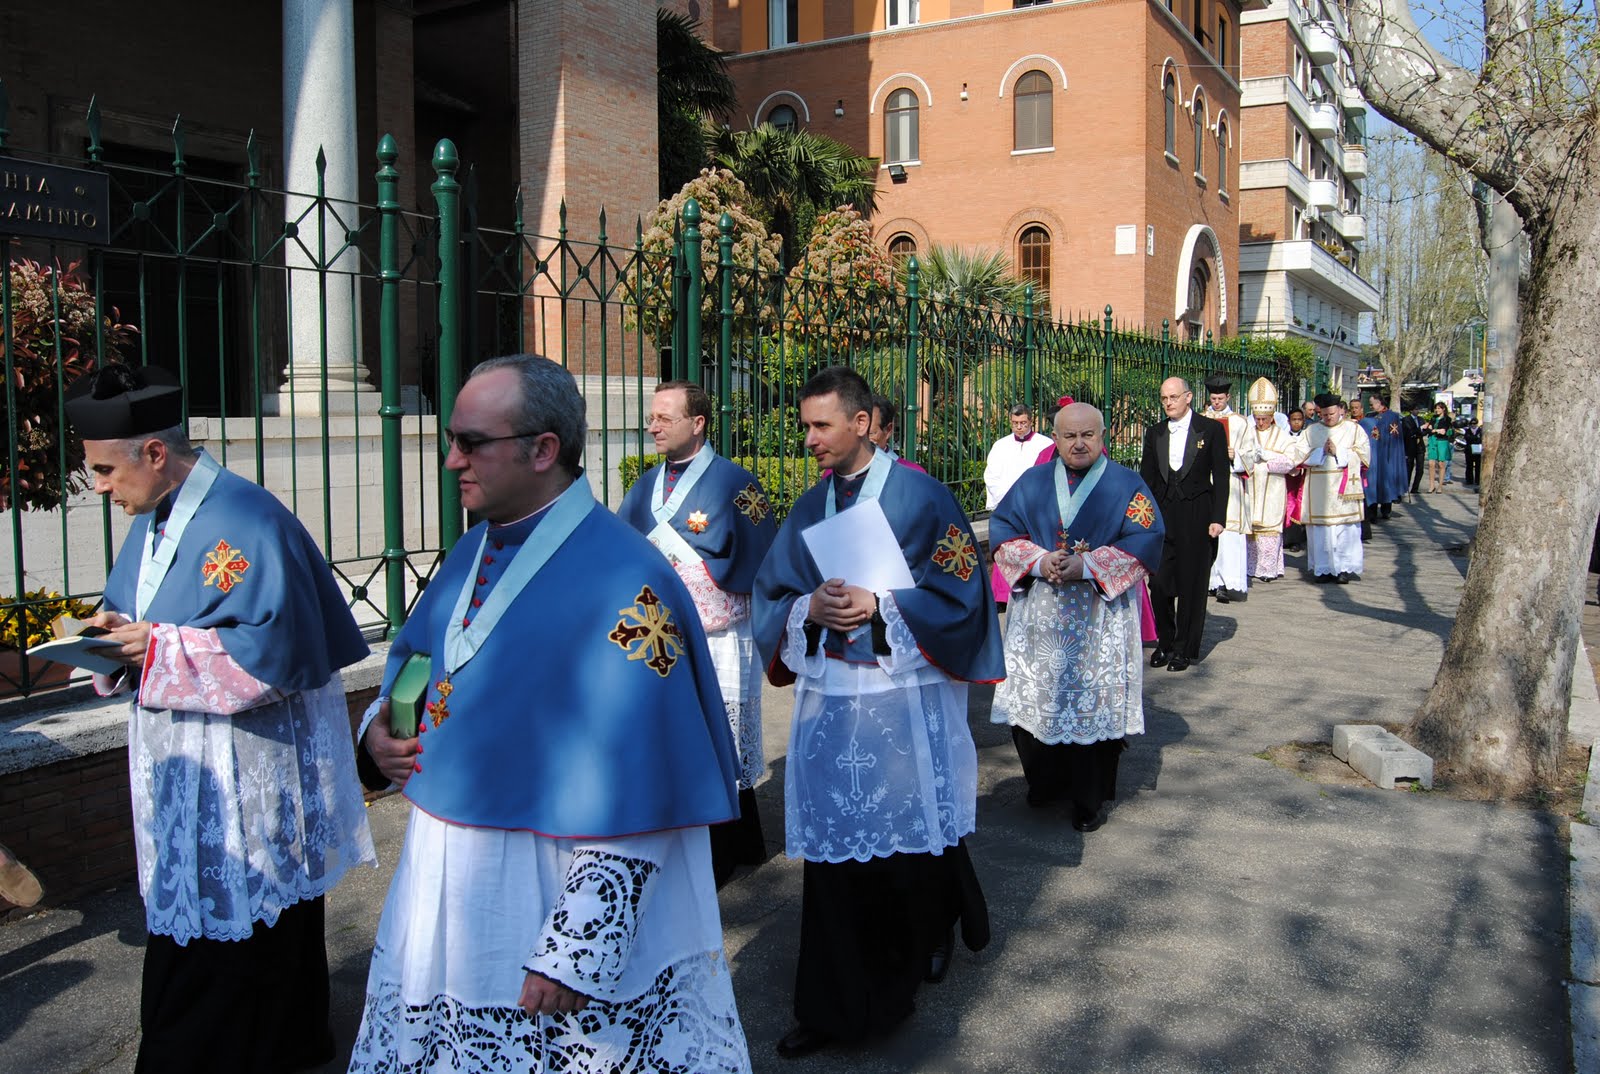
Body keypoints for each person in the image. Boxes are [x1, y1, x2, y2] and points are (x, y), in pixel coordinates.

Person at [349, 355, 751, 1073]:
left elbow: (646, 772)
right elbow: (416, 663)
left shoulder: (628, 580)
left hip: (550, 882)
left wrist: (578, 946)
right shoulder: (471, 549)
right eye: (453, 438)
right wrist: (378, 727)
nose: (451, 461)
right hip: (448, 871)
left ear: (543, 449)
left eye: (472, 442)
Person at [63, 362, 376, 1074]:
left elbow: (278, 659)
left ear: (153, 452)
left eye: (107, 471)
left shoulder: (246, 519)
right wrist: (114, 633)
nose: (101, 489)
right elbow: (151, 615)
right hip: (186, 765)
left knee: (244, 930)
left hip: (247, 769)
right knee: (223, 923)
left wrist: (161, 644)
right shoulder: (158, 513)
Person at [753, 366, 1001, 1059]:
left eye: (820, 425)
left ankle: (897, 982)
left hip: (901, 696)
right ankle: (828, 1006)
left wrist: (885, 606)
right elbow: (771, 594)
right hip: (830, 700)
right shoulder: (809, 507)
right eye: (805, 426)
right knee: (833, 861)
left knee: (905, 852)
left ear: (861, 423)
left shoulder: (923, 498)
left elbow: (963, 595)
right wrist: (809, 609)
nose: (809, 439)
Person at [618, 380, 777, 885]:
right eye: (652, 417)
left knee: (723, 734)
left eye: (665, 417)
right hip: (660, 639)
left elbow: (759, 562)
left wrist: (694, 587)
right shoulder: (644, 487)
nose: (653, 426)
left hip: (718, 637)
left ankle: (730, 845)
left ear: (698, 422)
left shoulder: (737, 484)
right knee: (677, 735)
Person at [988, 402, 1164, 832]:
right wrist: (1038, 560)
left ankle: (1088, 799)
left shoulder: (1127, 484)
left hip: (1099, 618)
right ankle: (1044, 783)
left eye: (1088, 435)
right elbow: (1002, 531)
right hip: (1041, 615)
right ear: (1057, 438)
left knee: (1094, 705)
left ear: (1102, 437)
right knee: (1037, 706)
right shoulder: (1031, 482)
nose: (1079, 443)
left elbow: (1148, 537)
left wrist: (1087, 566)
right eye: (1069, 436)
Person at [1140, 377, 1230, 672]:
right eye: (1164, 398)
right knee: (1160, 583)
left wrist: (1218, 517)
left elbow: (1221, 476)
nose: (1168, 403)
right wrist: (1143, 519)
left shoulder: (1211, 429)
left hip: (1197, 513)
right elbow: (1148, 479)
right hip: (1164, 515)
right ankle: (1164, 643)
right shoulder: (1154, 433)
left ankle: (1183, 648)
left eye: (1174, 397)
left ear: (1188, 397)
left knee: (1192, 584)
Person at [985, 403, 1052, 609]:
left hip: (1033, 507)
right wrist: (1006, 501)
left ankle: (1029, 587)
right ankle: (1002, 597)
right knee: (1005, 548)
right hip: (1007, 505)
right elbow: (992, 475)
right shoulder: (1001, 445)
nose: (1019, 427)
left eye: (1023, 423)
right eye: (1015, 423)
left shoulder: (1045, 444)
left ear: (1031, 422)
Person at [1244, 379, 1310, 582]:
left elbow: (1292, 461)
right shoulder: (1247, 434)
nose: (1260, 422)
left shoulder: (1282, 436)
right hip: (1251, 487)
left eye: (1264, 418)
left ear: (1272, 416)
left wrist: (1267, 459)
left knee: (1269, 531)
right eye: (1257, 418)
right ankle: (1249, 567)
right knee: (1250, 531)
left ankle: (1267, 570)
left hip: (1273, 487)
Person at [1201, 375, 1259, 603]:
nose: (1216, 402)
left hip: (1232, 484)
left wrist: (1237, 456)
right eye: (1213, 398)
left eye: (1220, 398)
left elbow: (1253, 453)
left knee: (1230, 535)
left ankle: (1227, 583)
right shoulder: (1201, 420)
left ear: (1228, 397)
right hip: (1207, 482)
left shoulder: (1241, 422)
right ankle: (1209, 581)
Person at [1303, 393, 1371, 583]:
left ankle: (1343, 568)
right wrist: (1320, 452)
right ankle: (1323, 569)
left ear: (1340, 410)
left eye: (1331, 414)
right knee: (1321, 531)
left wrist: (1339, 452)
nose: (1328, 418)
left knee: (1344, 530)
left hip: (1344, 490)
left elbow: (1365, 455)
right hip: (1319, 489)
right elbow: (1297, 455)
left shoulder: (1353, 429)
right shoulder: (1311, 431)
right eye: (1324, 415)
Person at [1364, 394, 1407, 516]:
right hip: (1373, 454)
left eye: (1372, 404)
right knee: (1373, 482)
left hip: (1386, 454)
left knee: (1386, 482)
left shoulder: (1392, 417)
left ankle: (1386, 509)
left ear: (1379, 403)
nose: (1371, 406)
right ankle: (1372, 511)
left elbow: (1394, 437)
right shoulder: (1370, 416)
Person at [869, 393, 927, 473]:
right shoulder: (846, 474)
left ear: (888, 430)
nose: (860, 440)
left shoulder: (912, 474)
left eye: (870, 433)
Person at [1424, 401, 1453, 493]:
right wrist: (1435, 430)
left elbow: (1444, 431)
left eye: (1439, 408)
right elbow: (1428, 430)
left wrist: (1434, 430)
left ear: (1443, 409)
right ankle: (1431, 485)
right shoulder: (1433, 418)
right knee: (1431, 464)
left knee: (1441, 464)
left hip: (1442, 441)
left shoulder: (1447, 419)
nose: (1437, 410)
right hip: (1432, 440)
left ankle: (1440, 486)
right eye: (1436, 408)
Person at [1400, 405, 1425, 495]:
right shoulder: (1406, 419)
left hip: (1420, 447)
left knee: (1420, 469)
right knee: (1409, 468)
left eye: (1418, 409)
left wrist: (1420, 431)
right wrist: (1420, 430)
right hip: (1410, 446)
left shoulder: (1421, 419)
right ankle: (1406, 487)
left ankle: (1415, 488)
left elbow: (1425, 431)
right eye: (1415, 409)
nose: (1417, 411)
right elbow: (1410, 431)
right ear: (1411, 410)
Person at [1461, 416, 1483, 487]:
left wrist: (1474, 438)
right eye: (1472, 424)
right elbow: (1467, 438)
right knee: (1469, 466)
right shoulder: (1468, 430)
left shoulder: (1480, 430)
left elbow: (1480, 439)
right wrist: (1475, 438)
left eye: (1475, 423)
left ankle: (1477, 480)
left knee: (1478, 466)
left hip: (1478, 451)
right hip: (1469, 450)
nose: (1473, 425)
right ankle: (1469, 480)